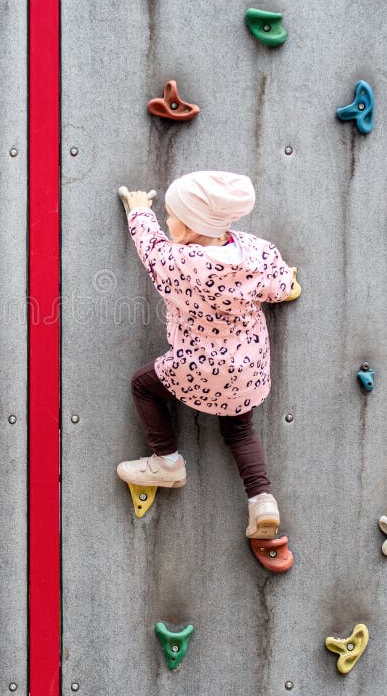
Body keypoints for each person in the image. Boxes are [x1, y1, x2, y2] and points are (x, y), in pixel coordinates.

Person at [116, 171, 297, 539]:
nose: (167, 222)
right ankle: (262, 500)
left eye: (172, 217)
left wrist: (138, 211)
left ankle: (167, 462)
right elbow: (282, 286)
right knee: (240, 431)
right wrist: (289, 284)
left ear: (194, 224)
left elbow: (150, 247)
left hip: (196, 366)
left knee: (142, 386)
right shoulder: (256, 252)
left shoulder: (180, 262)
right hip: (247, 370)